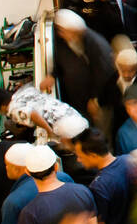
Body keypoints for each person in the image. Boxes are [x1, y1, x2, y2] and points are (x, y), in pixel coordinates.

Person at [46, 9, 117, 139]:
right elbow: (59, 62)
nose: (61, 34)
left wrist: (94, 98)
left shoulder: (96, 44)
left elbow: (104, 74)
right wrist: (52, 75)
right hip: (77, 101)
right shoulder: (62, 41)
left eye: (64, 31)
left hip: (99, 101)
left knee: (100, 135)